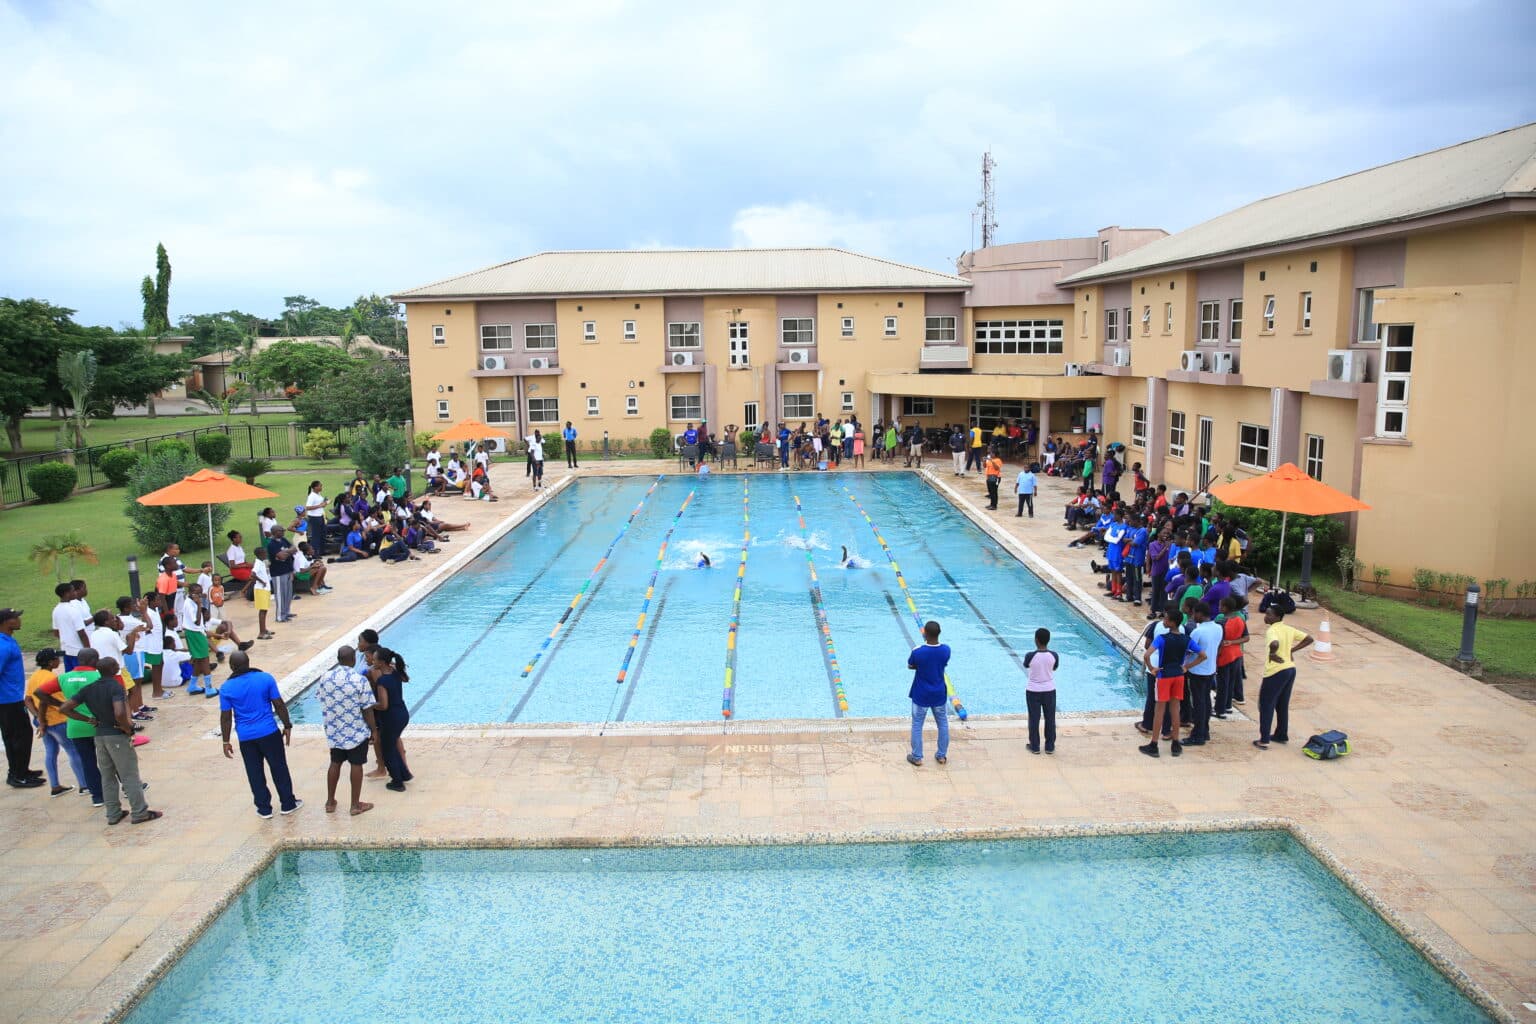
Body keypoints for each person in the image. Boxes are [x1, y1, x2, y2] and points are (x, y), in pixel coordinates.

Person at [55, 657, 161, 825]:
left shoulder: (89, 688)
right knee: (129, 775)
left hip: (100, 735)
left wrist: (89, 720)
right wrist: (127, 728)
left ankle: (113, 813)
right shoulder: (115, 687)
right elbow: (119, 712)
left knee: (107, 776)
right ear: (113, 669)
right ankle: (140, 812)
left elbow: (64, 708)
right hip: (116, 735)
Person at [219, 651, 300, 818]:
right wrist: (287, 725)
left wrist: (225, 741)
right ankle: (288, 804)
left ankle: (264, 809)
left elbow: (226, 717)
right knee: (279, 768)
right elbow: (278, 704)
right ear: (248, 662)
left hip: (246, 737)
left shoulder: (226, 688)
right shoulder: (265, 678)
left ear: (231, 667)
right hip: (269, 732)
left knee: (254, 773)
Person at [32, 647, 106, 805]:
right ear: (94, 661)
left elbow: (39, 693)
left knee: (87, 761)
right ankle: (126, 790)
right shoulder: (99, 675)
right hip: (99, 725)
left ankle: (97, 797)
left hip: (75, 726)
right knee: (112, 759)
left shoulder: (64, 677)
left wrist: (61, 705)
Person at [317, 646, 377, 816]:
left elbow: (321, 698)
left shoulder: (325, 677)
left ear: (338, 659)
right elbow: (367, 709)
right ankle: (355, 805)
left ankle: (330, 802)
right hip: (355, 730)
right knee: (356, 765)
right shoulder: (359, 680)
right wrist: (374, 730)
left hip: (334, 729)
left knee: (335, 762)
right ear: (352, 660)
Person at [1140, 608, 1207, 758]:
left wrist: (1152, 668)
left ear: (1171, 622)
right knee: (1175, 710)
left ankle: (1154, 744)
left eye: (1166, 619)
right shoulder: (1186, 639)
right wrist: (1186, 667)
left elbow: (1146, 655)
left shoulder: (1162, 639)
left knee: (1159, 711)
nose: (1163, 621)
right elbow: (1203, 655)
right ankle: (1175, 744)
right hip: (1178, 676)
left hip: (1164, 676)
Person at [25, 648, 83, 796]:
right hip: (57, 721)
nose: (60, 660)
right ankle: (84, 785)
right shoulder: (51, 678)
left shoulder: (35, 676)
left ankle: (55, 786)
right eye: (57, 658)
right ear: (51, 662)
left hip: (43, 722)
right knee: (72, 751)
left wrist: (38, 718)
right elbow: (50, 701)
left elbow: (28, 700)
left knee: (51, 751)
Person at [1254, 605, 1312, 750]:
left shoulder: (1272, 630)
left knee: (1266, 705)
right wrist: (1292, 650)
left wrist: (1273, 653)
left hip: (1275, 672)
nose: (1266, 617)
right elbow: (1309, 638)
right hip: (1290, 669)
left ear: (1277, 617)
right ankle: (1281, 734)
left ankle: (1264, 739)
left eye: (1269, 614)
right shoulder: (1288, 629)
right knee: (1282, 704)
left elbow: (1274, 643)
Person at [0, 608, 41, 788]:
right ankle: (17, 775)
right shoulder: (3, 646)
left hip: (12, 698)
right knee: (19, 737)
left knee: (20, 735)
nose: (19, 620)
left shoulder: (8, 640)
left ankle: (21, 770)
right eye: (16, 617)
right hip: (8, 701)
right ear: (7, 622)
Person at [905, 620, 951, 767]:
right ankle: (942, 756)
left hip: (921, 694)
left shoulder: (918, 651)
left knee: (917, 725)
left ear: (925, 634)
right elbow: (943, 663)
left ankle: (917, 757)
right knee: (943, 724)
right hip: (939, 694)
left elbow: (910, 665)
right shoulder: (946, 650)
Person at [369, 647, 413, 792]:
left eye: (374, 659)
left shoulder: (382, 681)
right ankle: (404, 774)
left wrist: (369, 705)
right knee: (392, 745)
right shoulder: (395, 672)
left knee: (387, 750)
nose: (372, 661)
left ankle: (397, 782)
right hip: (402, 714)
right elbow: (405, 678)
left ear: (381, 662)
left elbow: (383, 705)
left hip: (391, 718)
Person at [1184, 604, 1223, 746]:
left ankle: (1198, 735)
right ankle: (1204, 730)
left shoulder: (1197, 632)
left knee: (1198, 703)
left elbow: (1190, 651)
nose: (1193, 617)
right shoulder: (1218, 628)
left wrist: (1186, 666)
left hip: (1197, 671)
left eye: (1194, 613)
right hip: (1210, 670)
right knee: (1205, 700)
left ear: (1200, 614)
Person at [1022, 627, 1059, 755]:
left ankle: (1035, 746)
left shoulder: (1030, 656)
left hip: (1033, 690)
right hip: (1049, 690)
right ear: (1048, 640)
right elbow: (1054, 668)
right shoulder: (1054, 655)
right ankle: (1049, 746)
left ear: (1036, 640)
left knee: (1034, 718)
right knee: (1050, 718)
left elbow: (1026, 665)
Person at [1215, 595, 1248, 718]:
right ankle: (1228, 706)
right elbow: (1246, 637)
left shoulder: (1221, 621)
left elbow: (1218, 640)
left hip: (1224, 655)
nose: (1219, 607)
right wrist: (1233, 642)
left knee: (1222, 683)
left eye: (1220, 605)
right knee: (1231, 681)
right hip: (1237, 654)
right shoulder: (1240, 619)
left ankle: (1220, 709)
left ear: (1225, 608)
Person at [51, 583, 89, 671]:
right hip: (78, 652)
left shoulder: (56, 610)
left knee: (70, 676)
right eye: (73, 591)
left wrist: (67, 639)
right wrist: (88, 650)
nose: (75, 592)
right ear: (66, 594)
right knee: (82, 677)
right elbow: (82, 633)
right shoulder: (73, 610)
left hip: (66, 650)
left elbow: (56, 632)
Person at [266, 525, 296, 624]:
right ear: (275, 532)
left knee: (288, 594)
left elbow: (294, 548)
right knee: (280, 595)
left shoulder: (283, 539)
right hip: (278, 573)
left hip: (287, 570)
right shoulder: (272, 544)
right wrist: (288, 552)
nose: (283, 532)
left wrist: (286, 552)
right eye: (281, 531)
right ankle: (280, 616)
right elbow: (281, 557)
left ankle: (286, 612)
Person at [251, 549, 274, 640]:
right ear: (260, 554)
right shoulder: (257, 563)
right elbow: (253, 574)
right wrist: (262, 582)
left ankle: (264, 629)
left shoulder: (261, 562)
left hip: (264, 589)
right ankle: (261, 633)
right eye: (264, 553)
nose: (266, 554)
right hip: (261, 589)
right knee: (262, 611)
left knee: (265, 610)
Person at [304, 480, 328, 549]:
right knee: (316, 535)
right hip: (314, 517)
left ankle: (322, 550)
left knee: (322, 534)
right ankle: (315, 551)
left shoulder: (318, 494)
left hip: (320, 516)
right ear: (315, 487)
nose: (321, 487)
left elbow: (320, 504)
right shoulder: (312, 496)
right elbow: (308, 507)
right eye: (320, 486)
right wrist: (320, 505)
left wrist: (325, 503)